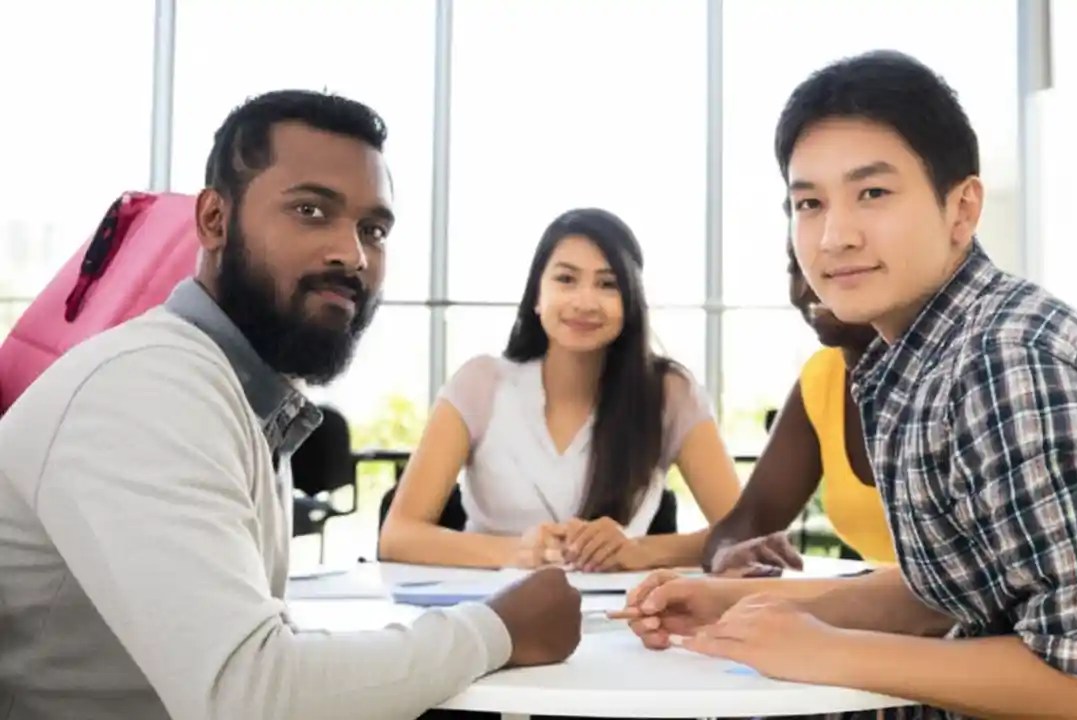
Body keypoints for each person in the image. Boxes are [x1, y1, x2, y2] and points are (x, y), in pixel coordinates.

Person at [621, 50, 1077, 718]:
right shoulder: (921, 358)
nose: (834, 236)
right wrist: (742, 602)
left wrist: (823, 650)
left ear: (962, 208)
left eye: (873, 193)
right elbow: (947, 590)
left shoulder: (1005, 367)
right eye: (809, 203)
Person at [0, 89, 582, 720]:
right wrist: (497, 629)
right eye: (311, 210)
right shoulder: (146, 387)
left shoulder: (242, 394)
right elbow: (248, 694)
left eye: (373, 229)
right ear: (214, 221)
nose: (352, 255)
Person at [380, 208, 741, 572]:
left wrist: (640, 551)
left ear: (630, 303)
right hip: (490, 611)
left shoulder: (669, 393)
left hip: (619, 613)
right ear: (537, 295)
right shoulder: (481, 383)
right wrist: (517, 553)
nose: (585, 302)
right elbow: (398, 535)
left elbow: (744, 533)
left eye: (608, 284)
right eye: (566, 279)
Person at [703, 241, 891, 576]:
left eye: (842, 264)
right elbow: (752, 517)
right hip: (889, 622)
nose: (810, 286)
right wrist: (729, 554)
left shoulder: (968, 369)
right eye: (799, 265)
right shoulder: (823, 378)